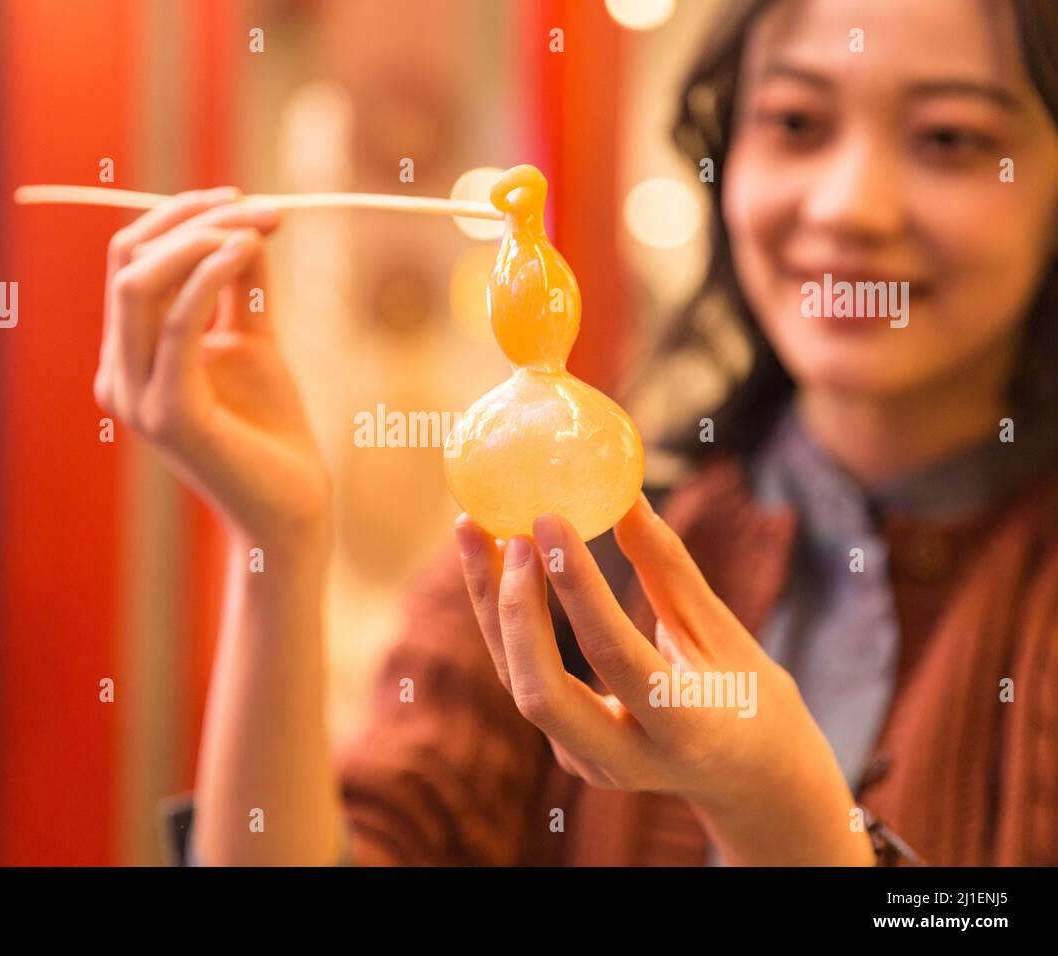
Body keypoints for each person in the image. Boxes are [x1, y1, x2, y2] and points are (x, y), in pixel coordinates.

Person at [95, 0, 1058, 866]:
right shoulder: (575, 528)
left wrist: (783, 814)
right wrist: (278, 543)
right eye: (797, 123)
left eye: (950, 138)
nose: (850, 205)